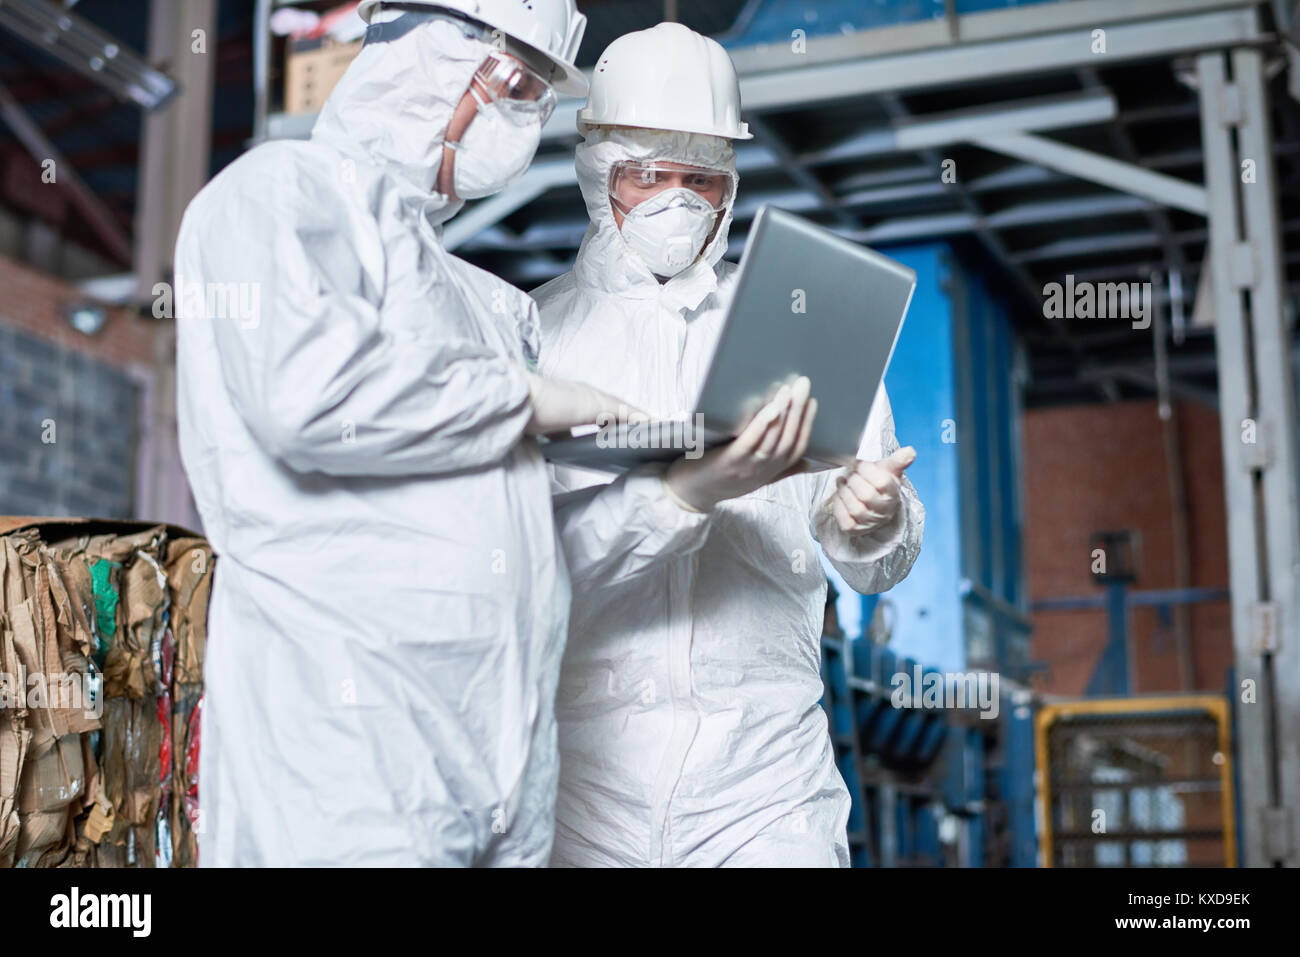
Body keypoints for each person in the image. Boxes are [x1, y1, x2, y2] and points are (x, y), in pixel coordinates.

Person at [173, 0, 624, 866]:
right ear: (438, 55)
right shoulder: (277, 196)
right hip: (346, 754)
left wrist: (688, 482)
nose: (526, 120)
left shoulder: (490, 305)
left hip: (506, 763)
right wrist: (529, 399)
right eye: (521, 88)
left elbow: (538, 534)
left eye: (538, 97)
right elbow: (310, 395)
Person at [533, 22, 926, 867]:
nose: (678, 201)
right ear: (600, 172)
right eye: (649, 175)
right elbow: (512, 566)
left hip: (763, 782)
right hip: (579, 782)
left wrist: (873, 524)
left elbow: (871, 559)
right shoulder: (531, 339)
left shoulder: (804, 323)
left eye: (701, 179)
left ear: (730, 186)